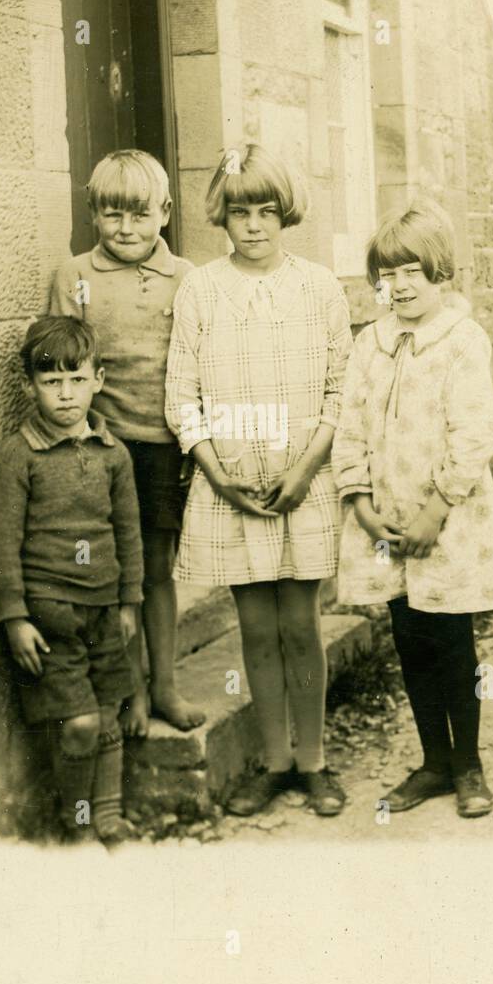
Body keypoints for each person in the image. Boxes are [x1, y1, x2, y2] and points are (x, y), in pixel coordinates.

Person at [165, 144, 353, 817]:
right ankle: (274, 762)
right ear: (221, 215)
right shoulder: (200, 289)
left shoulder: (320, 287)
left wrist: (304, 471)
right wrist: (216, 475)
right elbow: (181, 395)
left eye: (265, 211)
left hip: (301, 482)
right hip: (232, 488)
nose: (252, 226)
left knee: (300, 623)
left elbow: (340, 391)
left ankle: (314, 762)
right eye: (239, 212)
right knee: (255, 624)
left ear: (284, 214)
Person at [332, 199, 493, 818]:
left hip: (447, 519)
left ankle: (467, 764)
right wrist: (359, 501)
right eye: (388, 275)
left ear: (441, 273)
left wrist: (437, 507)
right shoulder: (371, 345)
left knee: (449, 636)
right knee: (408, 635)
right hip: (385, 519)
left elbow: (475, 430)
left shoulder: (461, 341)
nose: (400, 286)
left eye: (413, 271)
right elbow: (351, 426)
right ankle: (433, 761)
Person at [49, 150, 204, 737]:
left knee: (156, 570)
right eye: (112, 215)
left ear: (164, 212)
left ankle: (164, 686)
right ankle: (129, 693)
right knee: (115, 577)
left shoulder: (187, 278)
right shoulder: (75, 276)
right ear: (93, 213)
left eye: (139, 215)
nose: (126, 229)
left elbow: (197, 362)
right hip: (101, 450)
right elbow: (66, 358)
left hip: (163, 446)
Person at [0, 316, 143, 843]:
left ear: (98, 378)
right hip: (51, 614)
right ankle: (76, 827)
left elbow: (128, 533)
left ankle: (109, 815)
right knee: (78, 723)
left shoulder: (113, 453)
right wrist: (15, 618)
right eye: (51, 382)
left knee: (108, 712)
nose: (66, 395)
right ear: (29, 386)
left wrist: (128, 604)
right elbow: (1, 543)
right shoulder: (18, 455)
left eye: (77, 379)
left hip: (104, 608)